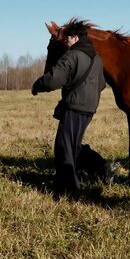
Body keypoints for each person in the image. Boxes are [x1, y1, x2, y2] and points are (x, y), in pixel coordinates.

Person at [31, 19, 110, 198]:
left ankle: (68, 189)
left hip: (74, 107)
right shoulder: (96, 58)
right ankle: (101, 167)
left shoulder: (72, 55)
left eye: (67, 39)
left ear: (75, 37)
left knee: (63, 147)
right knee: (73, 145)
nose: (65, 42)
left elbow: (53, 79)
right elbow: (102, 84)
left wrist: (37, 85)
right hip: (89, 108)